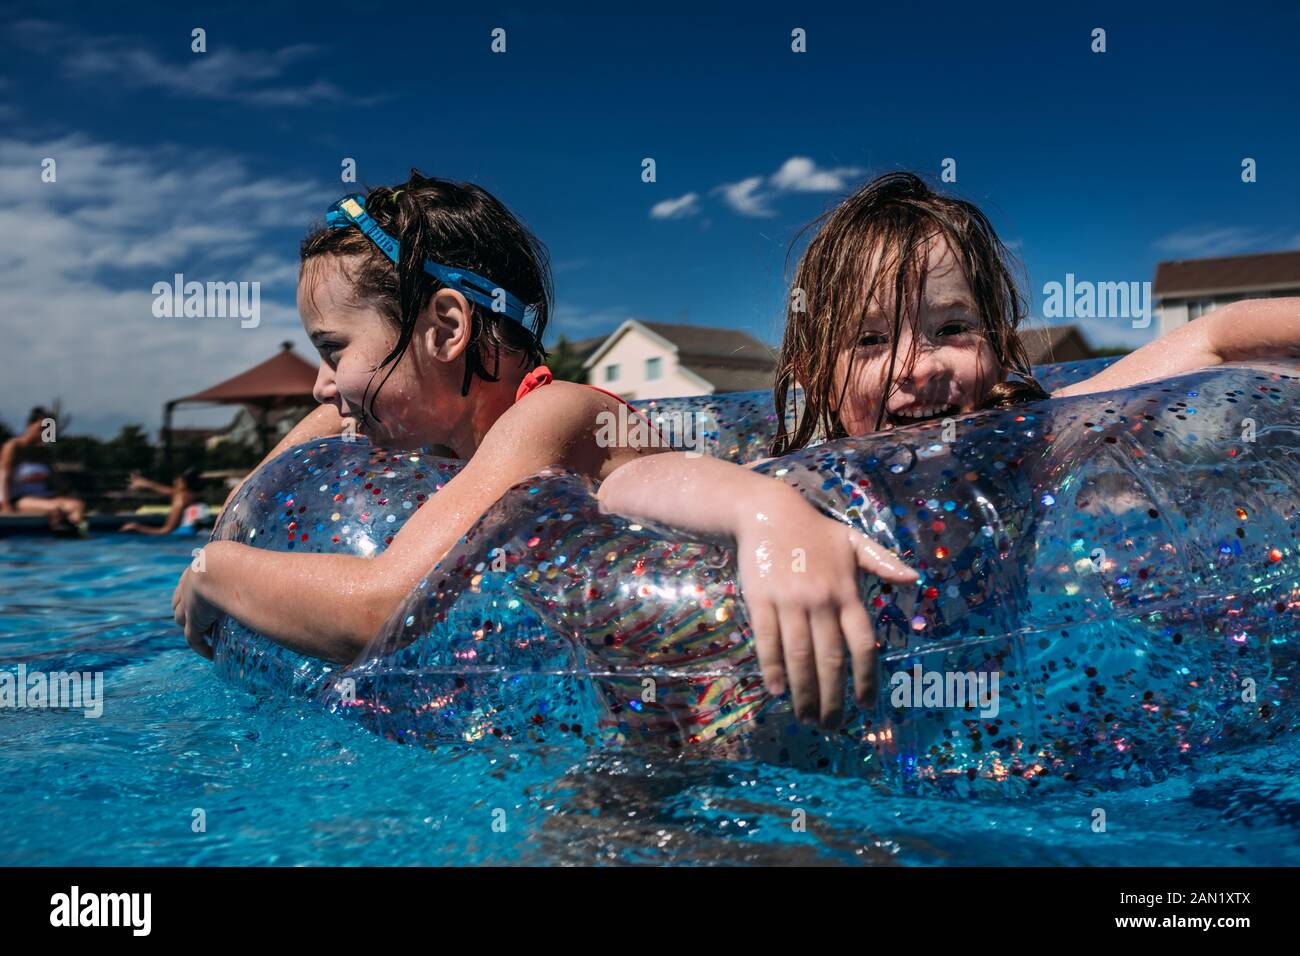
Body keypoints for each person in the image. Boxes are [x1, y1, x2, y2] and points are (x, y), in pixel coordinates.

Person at [598, 172, 1300, 726]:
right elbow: (623, 483)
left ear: (999, 347)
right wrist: (761, 511)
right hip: (742, 735)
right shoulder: (808, 490)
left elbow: (1217, 335)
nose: (918, 365)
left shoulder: (1030, 445)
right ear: (814, 373)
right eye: (870, 341)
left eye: (952, 327)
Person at [171, 172, 918, 669]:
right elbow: (294, 458)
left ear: (445, 328)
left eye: (333, 349)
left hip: (713, 711)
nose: (319, 384)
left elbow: (376, 612)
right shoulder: (450, 437)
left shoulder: (558, 416)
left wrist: (214, 572)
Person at [0, 407, 88, 534]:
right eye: (41, 428)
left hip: (44, 497)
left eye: (48, 430)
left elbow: (56, 479)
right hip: (20, 499)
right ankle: (63, 533)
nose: (44, 433)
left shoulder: (43, 453)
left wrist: (70, 493)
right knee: (56, 509)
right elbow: (4, 476)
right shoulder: (14, 447)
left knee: (78, 506)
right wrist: (5, 504)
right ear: (29, 425)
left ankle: (80, 534)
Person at [120, 467, 209, 536]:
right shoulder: (194, 497)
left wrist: (137, 527)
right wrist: (146, 484)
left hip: (183, 538)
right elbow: (168, 491)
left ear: (183, 483)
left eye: (176, 481)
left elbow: (166, 531)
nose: (174, 483)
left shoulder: (180, 499)